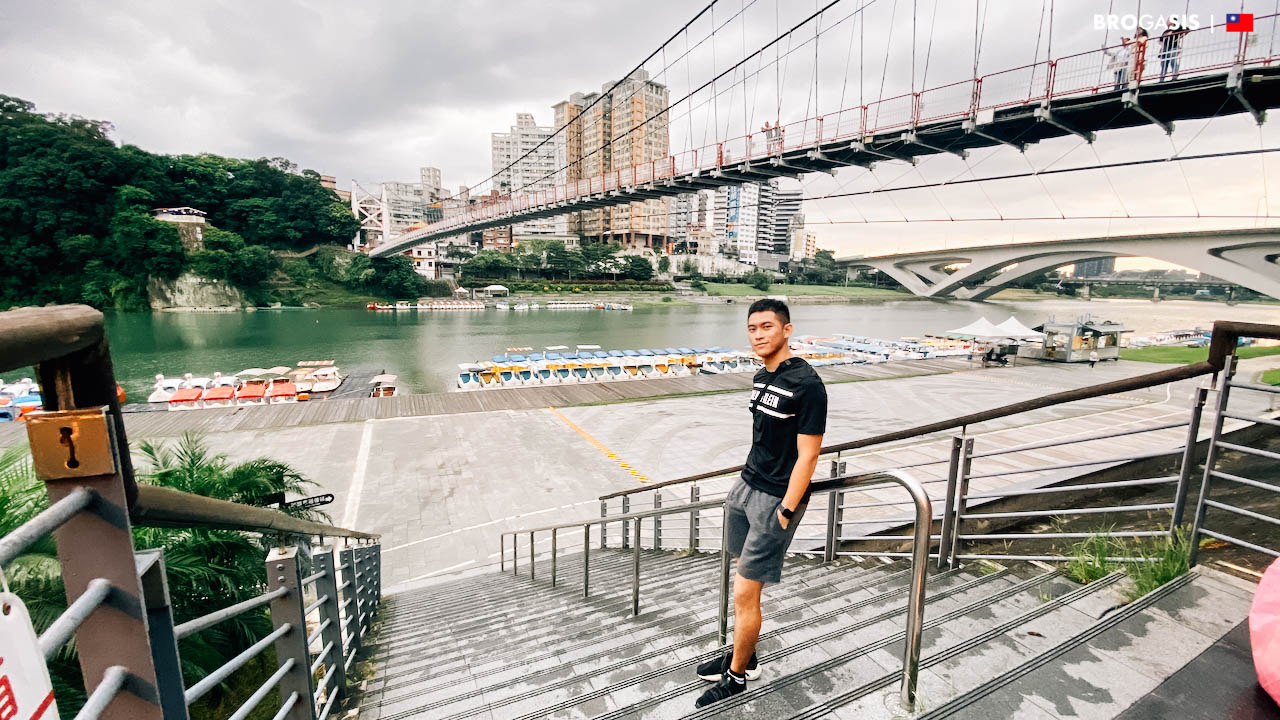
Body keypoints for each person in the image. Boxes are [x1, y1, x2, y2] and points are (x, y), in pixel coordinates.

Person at [693, 298, 827, 709]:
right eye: (752, 328)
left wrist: (787, 508)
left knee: (745, 595)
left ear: (786, 330)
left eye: (767, 327)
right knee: (739, 573)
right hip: (747, 487)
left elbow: (808, 455)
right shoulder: (760, 377)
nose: (758, 335)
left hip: (775, 498)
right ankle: (744, 654)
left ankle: (736, 677)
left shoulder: (807, 385)